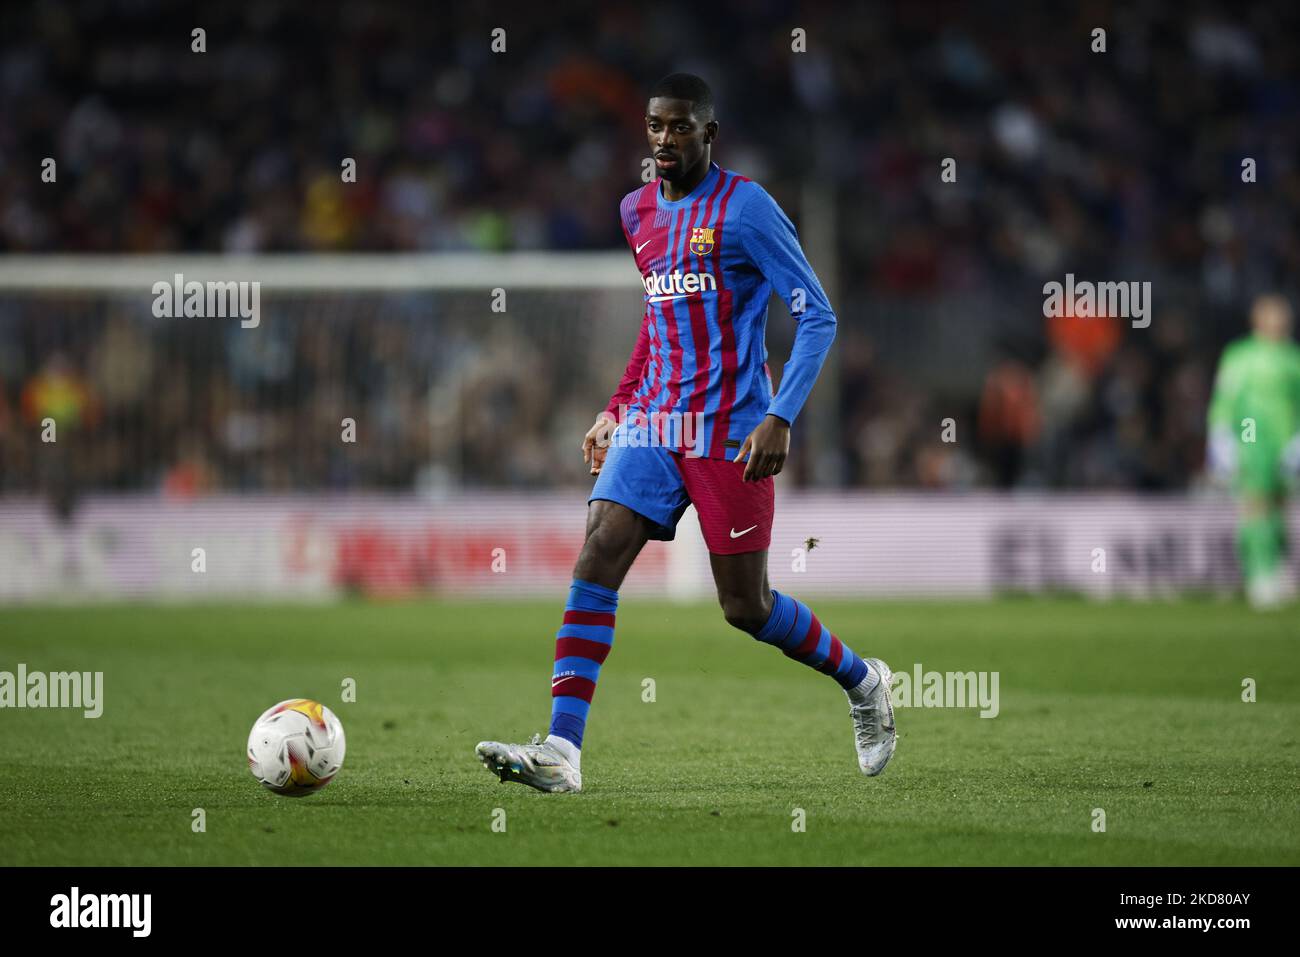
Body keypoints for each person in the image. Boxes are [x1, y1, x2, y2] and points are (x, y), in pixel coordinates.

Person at [475, 74, 895, 792]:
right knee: (600, 547)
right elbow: (656, 324)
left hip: (732, 431)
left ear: (709, 133)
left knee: (747, 606)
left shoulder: (747, 209)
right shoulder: (636, 212)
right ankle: (562, 751)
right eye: (654, 127)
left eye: (679, 128)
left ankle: (863, 682)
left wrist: (780, 414)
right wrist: (616, 408)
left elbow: (817, 315)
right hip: (655, 423)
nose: (664, 141)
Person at [1206, 293, 1300, 609]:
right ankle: (1259, 576)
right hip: (1251, 438)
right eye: (1272, 315)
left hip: (1285, 442)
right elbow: (1225, 399)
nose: (1278, 322)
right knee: (1254, 505)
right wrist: (1221, 438)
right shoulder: (1240, 355)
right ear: (1258, 320)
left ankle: (1277, 570)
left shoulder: (1293, 358)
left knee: (1279, 506)